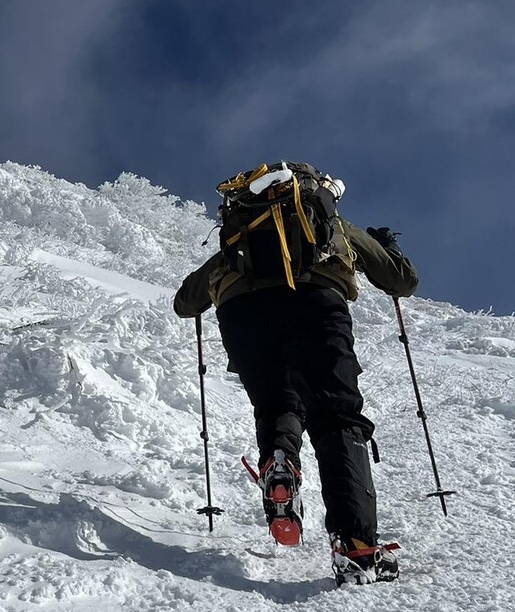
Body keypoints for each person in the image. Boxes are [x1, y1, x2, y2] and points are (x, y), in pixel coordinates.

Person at [173, 162, 418, 585]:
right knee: (336, 415)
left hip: (242, 315)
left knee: (277, 404)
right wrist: (387, 248)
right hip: (315, 301)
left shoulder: (238, 239)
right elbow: (402, 282)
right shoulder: (333, 227)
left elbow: (185, 303)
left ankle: (279, 460)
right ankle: (356, 548)